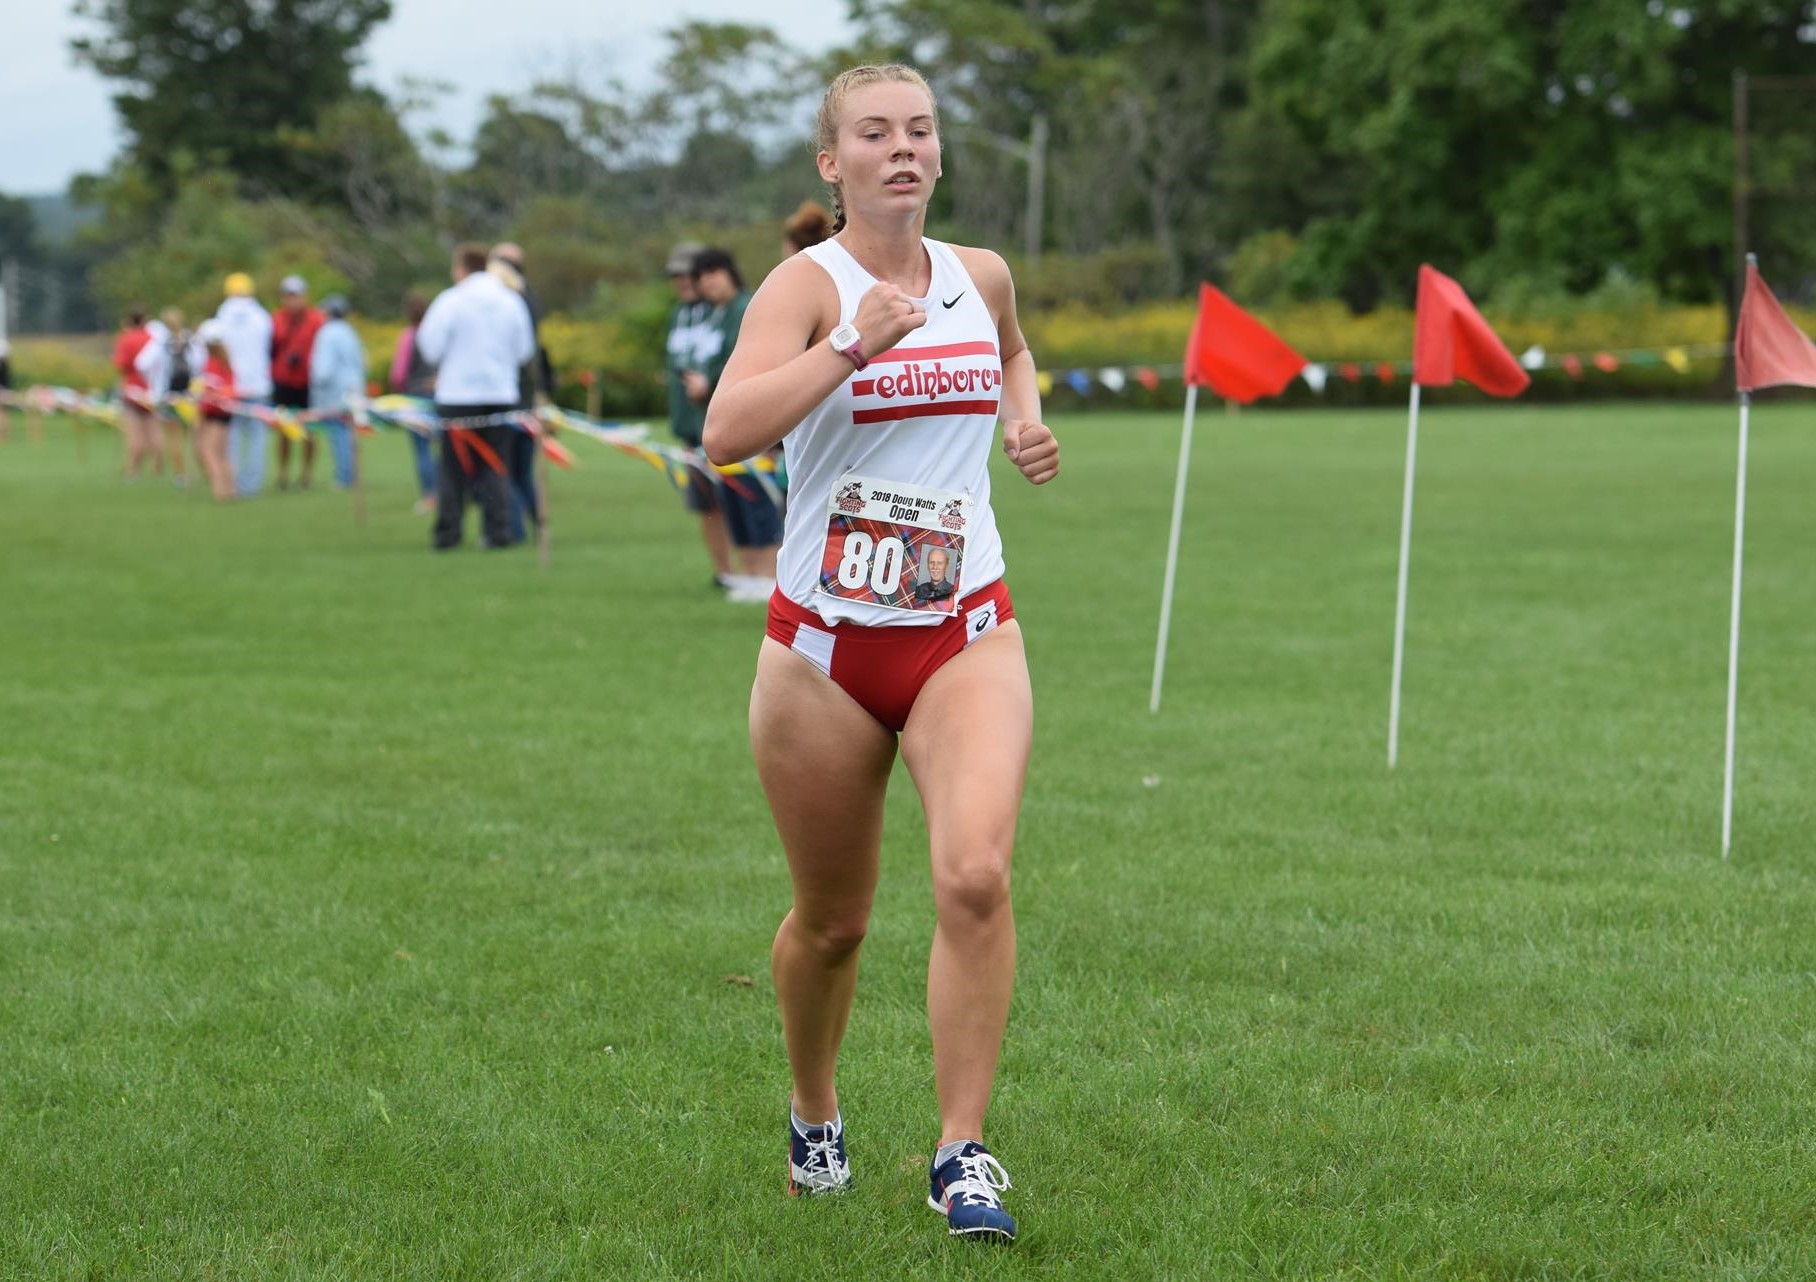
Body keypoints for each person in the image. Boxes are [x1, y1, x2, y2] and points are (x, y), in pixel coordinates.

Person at [702, 63, 1060, 1242]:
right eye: (873, 133)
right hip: (821, 655)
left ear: (939, 155)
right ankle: (815, 1111)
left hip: (964, 630)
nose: (900, 149)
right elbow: (724, 435)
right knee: (833, 920)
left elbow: (1008, 347)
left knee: (973, 875)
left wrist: (1020, 415)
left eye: (919, 131)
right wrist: (851, 346)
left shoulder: (980, 275)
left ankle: (961, 1151)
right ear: (831, 161)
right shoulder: (806, 288)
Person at [416, 242, 536, 551]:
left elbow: (429, 345)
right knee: (495, 464)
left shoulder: (451, 300)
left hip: (458, 395)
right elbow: (524, 350)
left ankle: (448, 534)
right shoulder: (510, 301)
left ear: (460, 268)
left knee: (453, 469)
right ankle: (498, 532)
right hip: (500, 393)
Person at [688, 248, 779, 605]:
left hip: (749, 422)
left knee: (756, 500)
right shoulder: (713, 315)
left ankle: (768, 576)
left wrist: (708, 388)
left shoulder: (746, 308)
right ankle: (751, 574)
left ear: (730, 273)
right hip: (719, 424)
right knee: (734, 502)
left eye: (713, 273)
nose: (707, 282)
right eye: (702, 277)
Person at [663, 241, 733, 589]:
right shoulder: (678, 314)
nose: (683, 282)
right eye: (677, 276)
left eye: (690, 275)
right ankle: (723, 571)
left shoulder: (722, 312)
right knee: (706, 504)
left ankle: (752, 572)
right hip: (690, 427)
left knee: (740, 502)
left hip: (722, 426)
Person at [489, 242, 554, 543]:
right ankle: (536, 523)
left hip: (515, 399)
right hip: (520, 397)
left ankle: (517, 529)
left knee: (510, 468)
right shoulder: (523, 300)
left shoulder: (512, 302)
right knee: (517, 470)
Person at [214, 273, 273, 497]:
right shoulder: (261, 316)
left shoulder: (223, 315)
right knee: (257, 436)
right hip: (259, 385)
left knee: (233, 436)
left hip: (232, 386)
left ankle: (234, 482)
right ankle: (253, 484)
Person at [270, 275, 324, 489]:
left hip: (307, 381)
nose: (293, 301)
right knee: (283, 428)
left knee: (309, 429)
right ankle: (283, 473)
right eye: (289, 296)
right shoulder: (276, 320)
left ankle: (306, 474)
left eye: (297, 296)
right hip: (283, 380)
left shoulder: (316, 319)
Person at [308, 295, 366, 488]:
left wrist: (316, 383)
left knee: (339, 431)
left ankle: (344, 476)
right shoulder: (350, 332)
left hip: (335, 391)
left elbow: (323, 370)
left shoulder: (327, 333)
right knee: (349, 432)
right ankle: (350, 472)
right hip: (354, 388)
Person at [389, 290, 438, 513]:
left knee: (422, 450)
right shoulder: (435, 334)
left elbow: (398, 374)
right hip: (437, 395)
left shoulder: (409, 337)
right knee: (442, 447)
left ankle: (430, 495)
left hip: (415, 396)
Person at [112, 307, 159, 481]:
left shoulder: (125, 339)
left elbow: (120, 365)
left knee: (134, 432)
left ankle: (133, 468)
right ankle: (157, 466)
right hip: (152, 389)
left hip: (132, 387)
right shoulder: (153, 338)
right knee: (154, 430)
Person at [192, 320, 238, 502]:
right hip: (225, 414)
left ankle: (220, 490)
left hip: (214, 414)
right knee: (223, 454)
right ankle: (231, 489)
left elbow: (208, 394)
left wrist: (200, 416)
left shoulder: (212, 364)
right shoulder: (225, 362)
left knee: (209, 452)